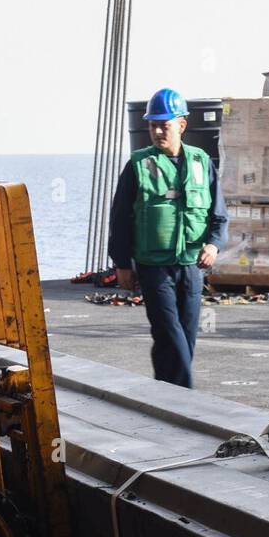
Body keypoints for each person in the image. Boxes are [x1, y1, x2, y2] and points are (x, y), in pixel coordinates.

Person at [107, 88, 228, 389]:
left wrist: (213, 245)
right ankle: (187, 398)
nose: (158, 131)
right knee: (169, 332)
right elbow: (120, 218)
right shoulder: (138, 165)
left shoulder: (202, 162)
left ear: (182, 125)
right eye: (152, 125)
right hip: (153, 266)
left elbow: (219, 215)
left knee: (185, 336)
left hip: (191, 266)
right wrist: (122, 264)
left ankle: (164, 392)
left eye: (165, 124)